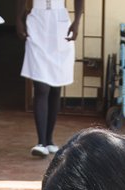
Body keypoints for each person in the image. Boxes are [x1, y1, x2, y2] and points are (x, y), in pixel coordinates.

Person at [17, 0, 82, 158]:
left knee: (56, 87)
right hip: (37, 22)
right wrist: (18, 20)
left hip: (60, 23)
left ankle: (49, 140)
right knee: (41, 87)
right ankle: (41, 143)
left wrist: (77, 22)